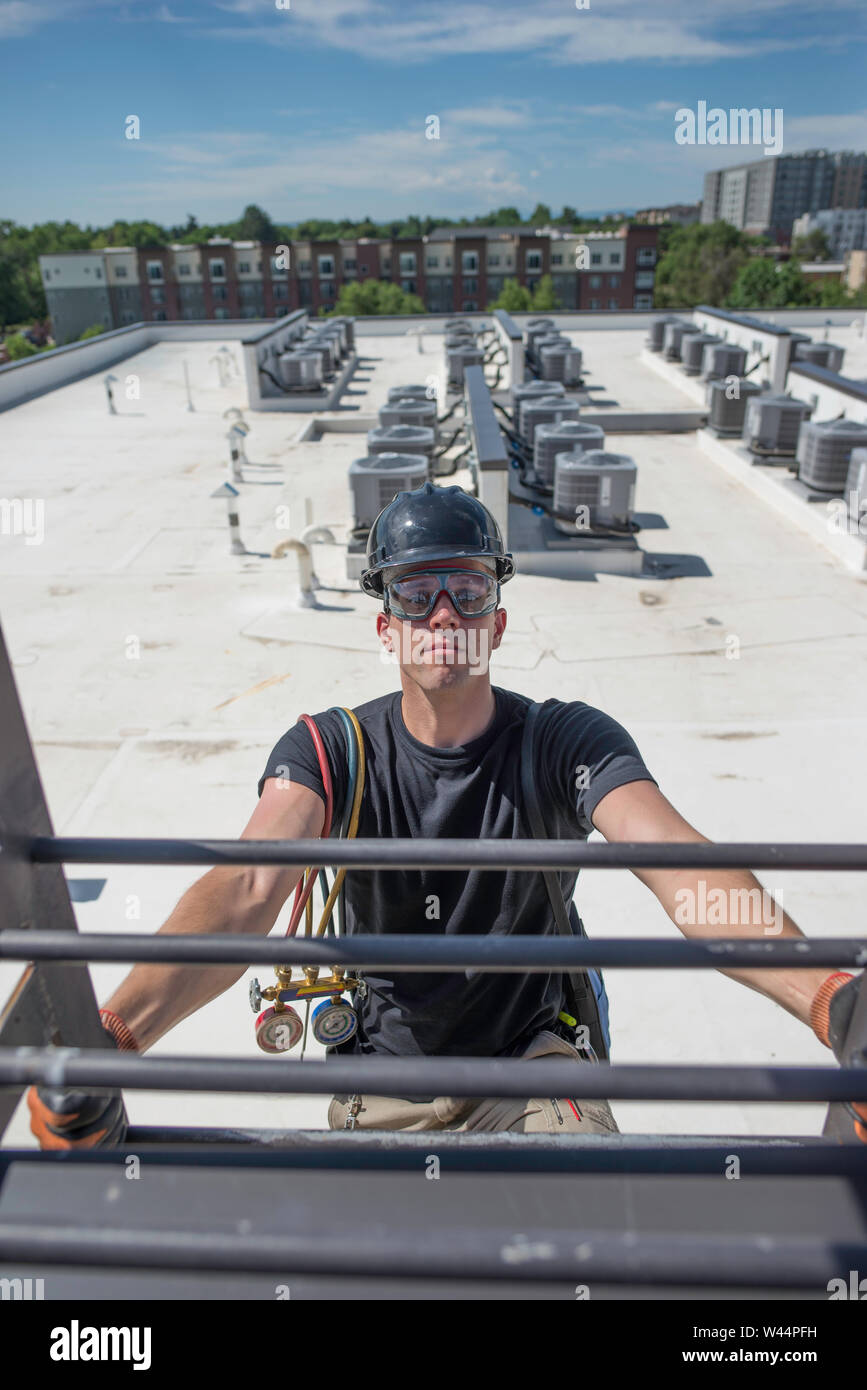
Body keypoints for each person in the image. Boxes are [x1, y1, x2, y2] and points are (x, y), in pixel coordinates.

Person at [27, 482, 866, 1146]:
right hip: (382, 1085)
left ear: (496, 623)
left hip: (533, 1067)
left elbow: (682, 872)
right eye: (414, 591)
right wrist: (108, 1038)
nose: (441, 616)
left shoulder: (562, 741)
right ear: (383, 626)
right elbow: (247, 889)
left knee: (588, 1233)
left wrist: (835, 1001)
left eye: (464, 591)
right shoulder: (330, 751)